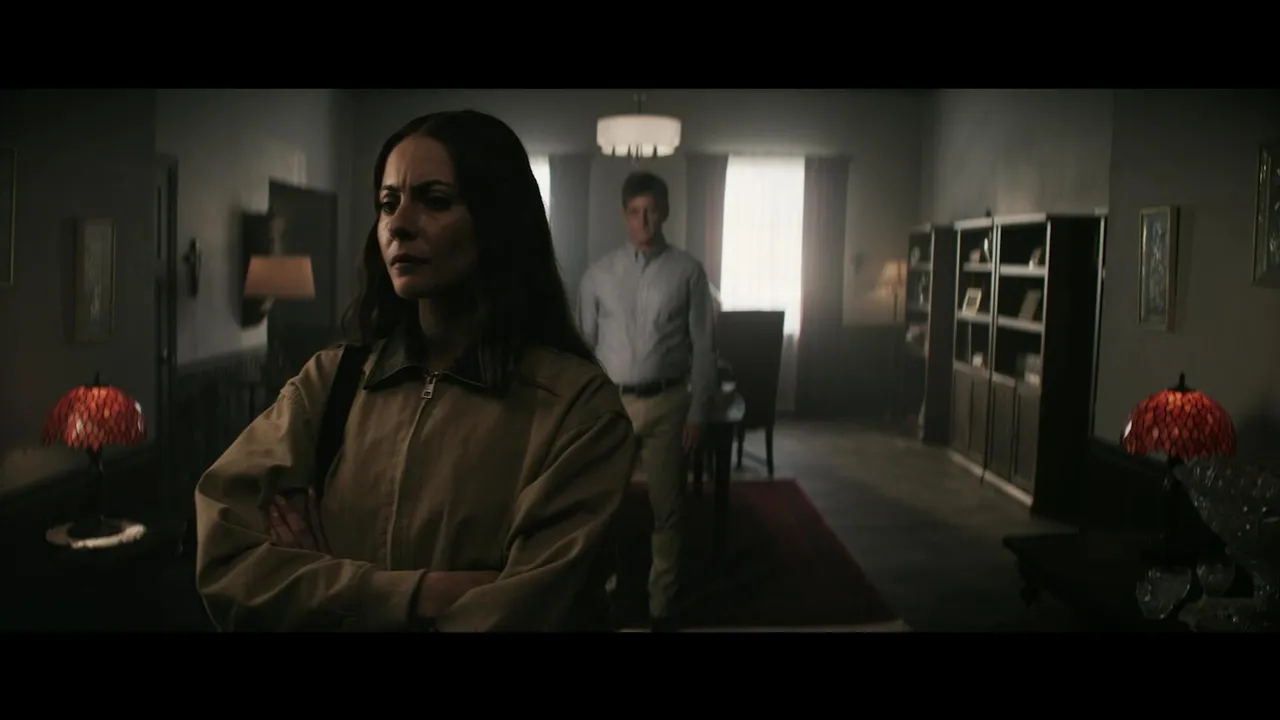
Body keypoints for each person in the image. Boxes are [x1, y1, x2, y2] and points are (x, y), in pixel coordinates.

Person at [193, 110, 636, 632]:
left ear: (497, 219)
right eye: (388, 203)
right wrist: (415, 593)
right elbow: (223, 556)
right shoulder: (331, 382)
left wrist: (314, 585)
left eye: (435, 200)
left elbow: (524, 613)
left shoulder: (576, 409)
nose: (399, 224)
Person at [577, 170, 717, 630]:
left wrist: (698, 410)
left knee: (667, 508)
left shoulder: (688, 272)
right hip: (612, 405)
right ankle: (610, 593)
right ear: (625, 215)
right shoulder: (598, 275)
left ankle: (662, 605)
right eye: (636, 212)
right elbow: (583, 349)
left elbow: (704, 346)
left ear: (666, 212)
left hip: (668, 403)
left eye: (652, 211)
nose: (645, 221)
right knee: (603, 506)